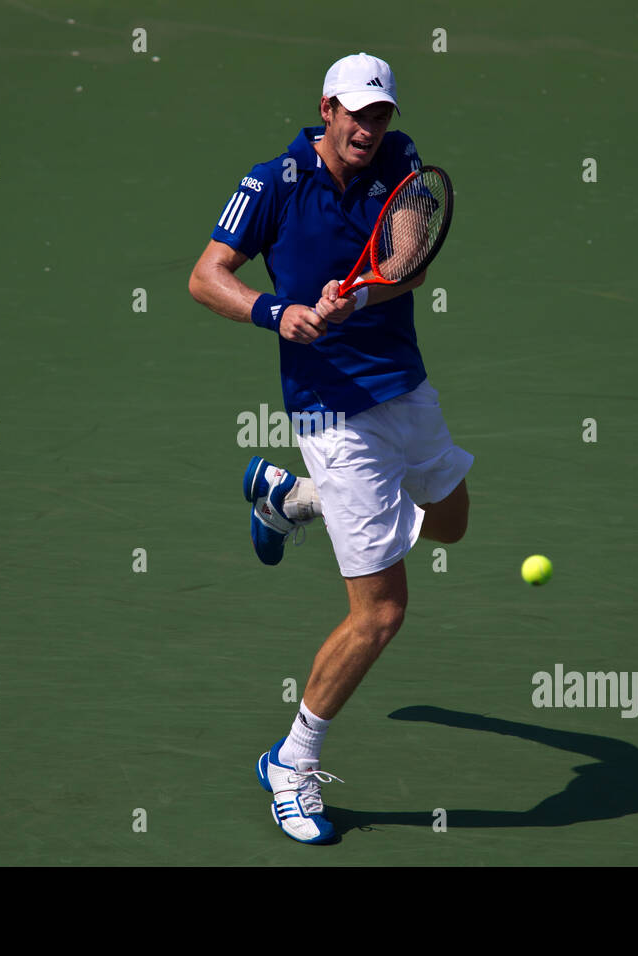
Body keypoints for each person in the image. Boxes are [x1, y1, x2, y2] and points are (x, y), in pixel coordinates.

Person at [187, 52, 473, 844]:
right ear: (327, 109)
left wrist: (360, 295)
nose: (369, 129)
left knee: (451, 524)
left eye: (380, 115)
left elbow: (408, 263)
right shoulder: (272, 183)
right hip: (332, 415)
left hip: (404, 388)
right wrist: (276, 312)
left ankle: (292, 500)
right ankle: (292, 762)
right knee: (381, 612)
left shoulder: (401, 161)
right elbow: (206, 276)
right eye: (356, 114)